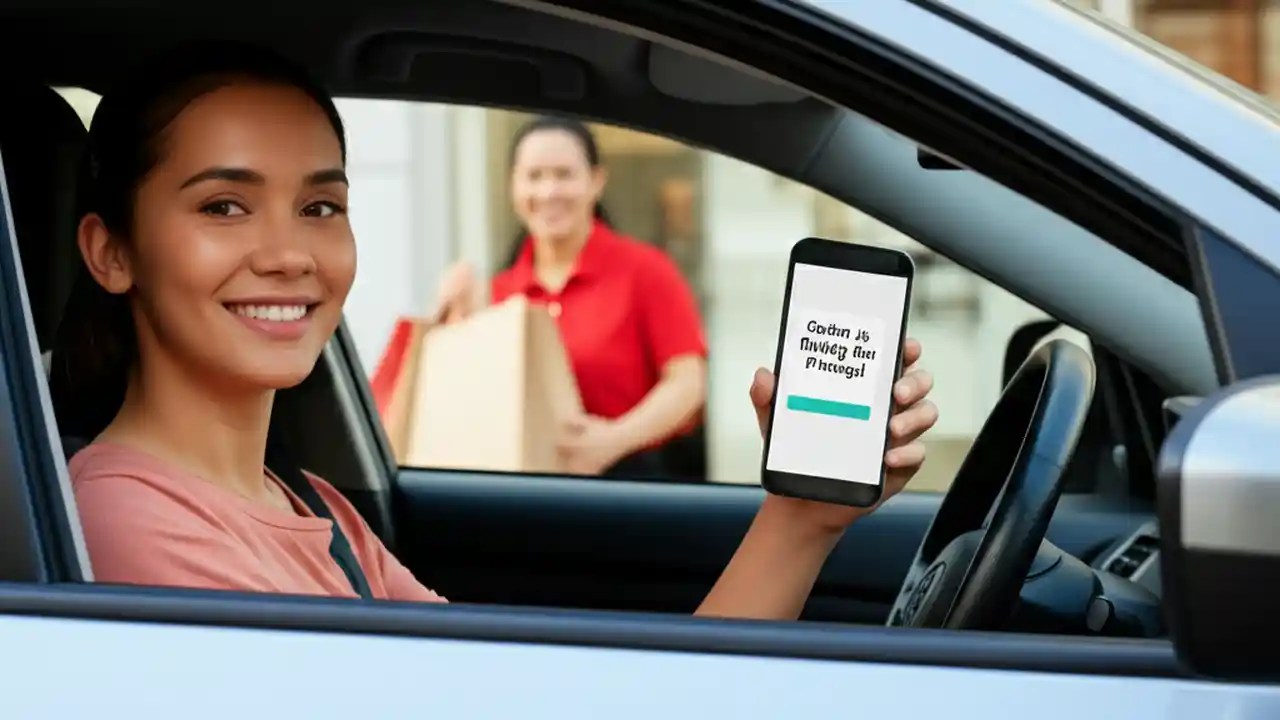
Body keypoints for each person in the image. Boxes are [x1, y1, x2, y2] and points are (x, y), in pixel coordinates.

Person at [52, 42, 939, 618]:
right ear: (111, 251)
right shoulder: (131, 523)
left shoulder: (318, 511)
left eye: (321, 205)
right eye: (225, 205)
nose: (291, 254)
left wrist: (804, 518)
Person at [432, 117, 707, 479]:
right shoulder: (498, 294)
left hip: (632, 487)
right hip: (523, 493)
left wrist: (613, 440)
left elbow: (688, 382)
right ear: (513, 187)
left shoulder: (646, 271)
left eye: (564, 175)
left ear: (596, 181)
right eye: (534, 176)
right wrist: (449, 322)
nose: (548, 192)